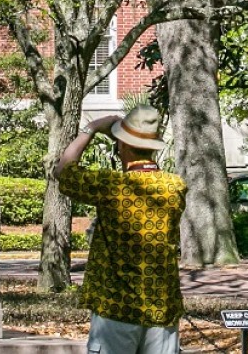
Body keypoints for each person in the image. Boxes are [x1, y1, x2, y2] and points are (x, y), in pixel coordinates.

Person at [53, 104, 186, 354]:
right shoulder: (175, 187)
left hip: (115, 306)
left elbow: (64, 171)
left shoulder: (112, 185)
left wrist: (91, 129)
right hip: (161, 305)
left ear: (122, 145)